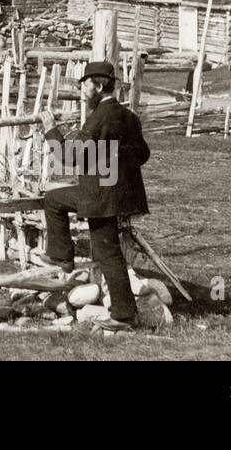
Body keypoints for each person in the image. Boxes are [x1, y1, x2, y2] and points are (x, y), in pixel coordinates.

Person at [37, 60, 151, 333]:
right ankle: (62, 257)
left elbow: (68, 157)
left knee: (107, 253)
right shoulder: (129, 117)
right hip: (119, 193)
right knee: (55, 200)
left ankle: (124, 315)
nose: (83, 90)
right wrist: (113, 160)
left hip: (102, 197)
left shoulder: (99, 118)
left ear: (99, 85)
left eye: (86, 85)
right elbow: (142, 154)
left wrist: (51, 129)